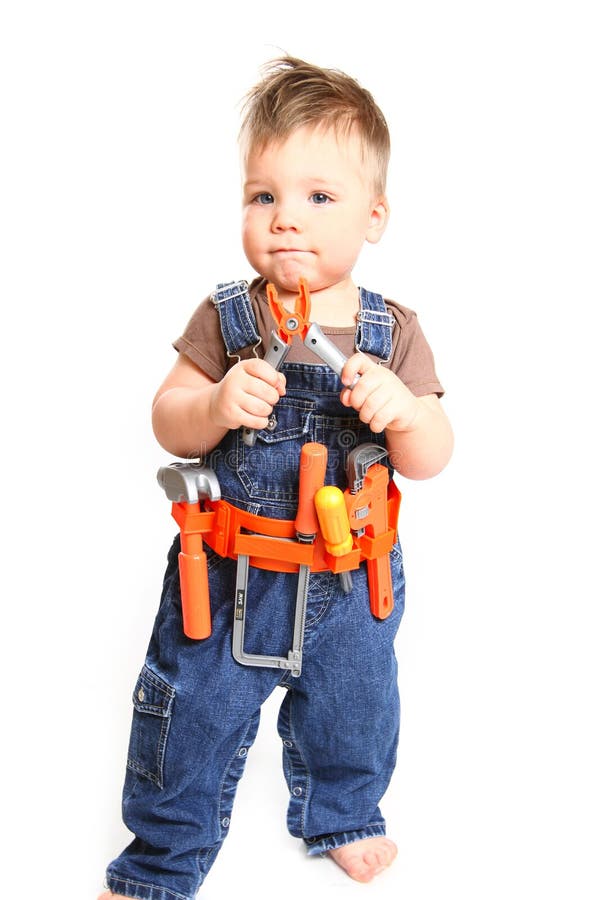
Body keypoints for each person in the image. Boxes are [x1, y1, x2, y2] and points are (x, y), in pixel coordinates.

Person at [100, 56, 453, 900]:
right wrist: (216, 403)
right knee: (189, 716)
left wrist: (405, 410)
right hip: (225, 577)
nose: (285, 220)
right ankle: (159, 861)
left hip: (352, 578)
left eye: (317, 198)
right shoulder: (227, 319)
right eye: (264, 196)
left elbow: (433, 454)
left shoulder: (391, 332)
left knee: (355, 712)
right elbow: (167, 416)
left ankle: (344, 811)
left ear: (375, 216)